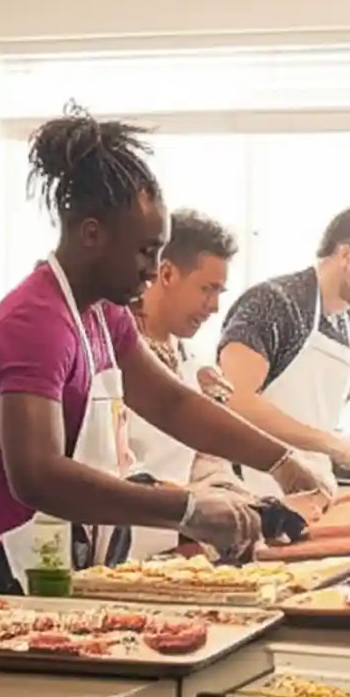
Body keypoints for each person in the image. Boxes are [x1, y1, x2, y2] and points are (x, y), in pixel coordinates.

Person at [0, 108, 329, 597]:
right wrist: (186, 510)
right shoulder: (35, 322)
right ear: (91, 235)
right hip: (3, 572)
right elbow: (37, 476)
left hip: (66, 560)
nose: (153, 270)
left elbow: (172, 403)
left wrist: (282, 460)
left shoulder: (104, 314)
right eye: (146, 251)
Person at [217, 201, 350, 498]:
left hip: (315, 494)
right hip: (257, 497)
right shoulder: (274, 304)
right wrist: (335, 445)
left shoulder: (347, 323)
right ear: (346, 255)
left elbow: (314, 423)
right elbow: (233, 400)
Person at [125, 208, 251, 560]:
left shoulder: (193, 362)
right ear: (165, 273)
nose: (215, 307)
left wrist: (234, 497)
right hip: (117, 552)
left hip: (171, 554)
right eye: (207, 289)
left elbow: (201, 460)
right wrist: (191, 505)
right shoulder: (114, 352)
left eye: (220, 292)